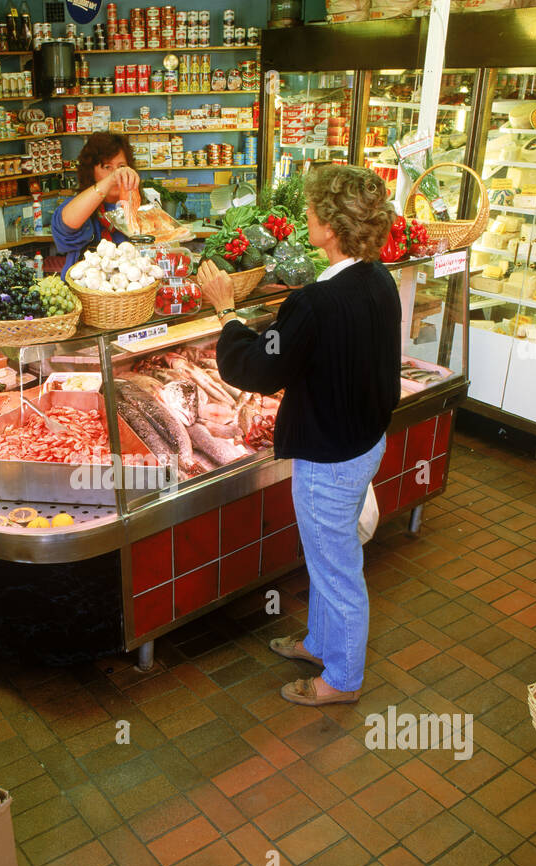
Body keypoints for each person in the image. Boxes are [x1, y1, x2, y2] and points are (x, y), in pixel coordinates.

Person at [196, 164, 401, 707]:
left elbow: (259, 372)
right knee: (327, 557)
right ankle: (320, 643)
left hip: (329, 457)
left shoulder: (314, 301)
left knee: (336, 570)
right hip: (363, 442)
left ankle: (342, 680)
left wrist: (226, 313)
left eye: (313, 211)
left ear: (330, 228)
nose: (305, 215)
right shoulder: (376, 278)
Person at [52, 132, 142, 274]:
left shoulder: (139, 208)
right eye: (107, 167)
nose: (116, 173)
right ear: (91, 171)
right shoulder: (78, 205)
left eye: (121, 166)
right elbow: (66, 224)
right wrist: (110, 180)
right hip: (85, 293)